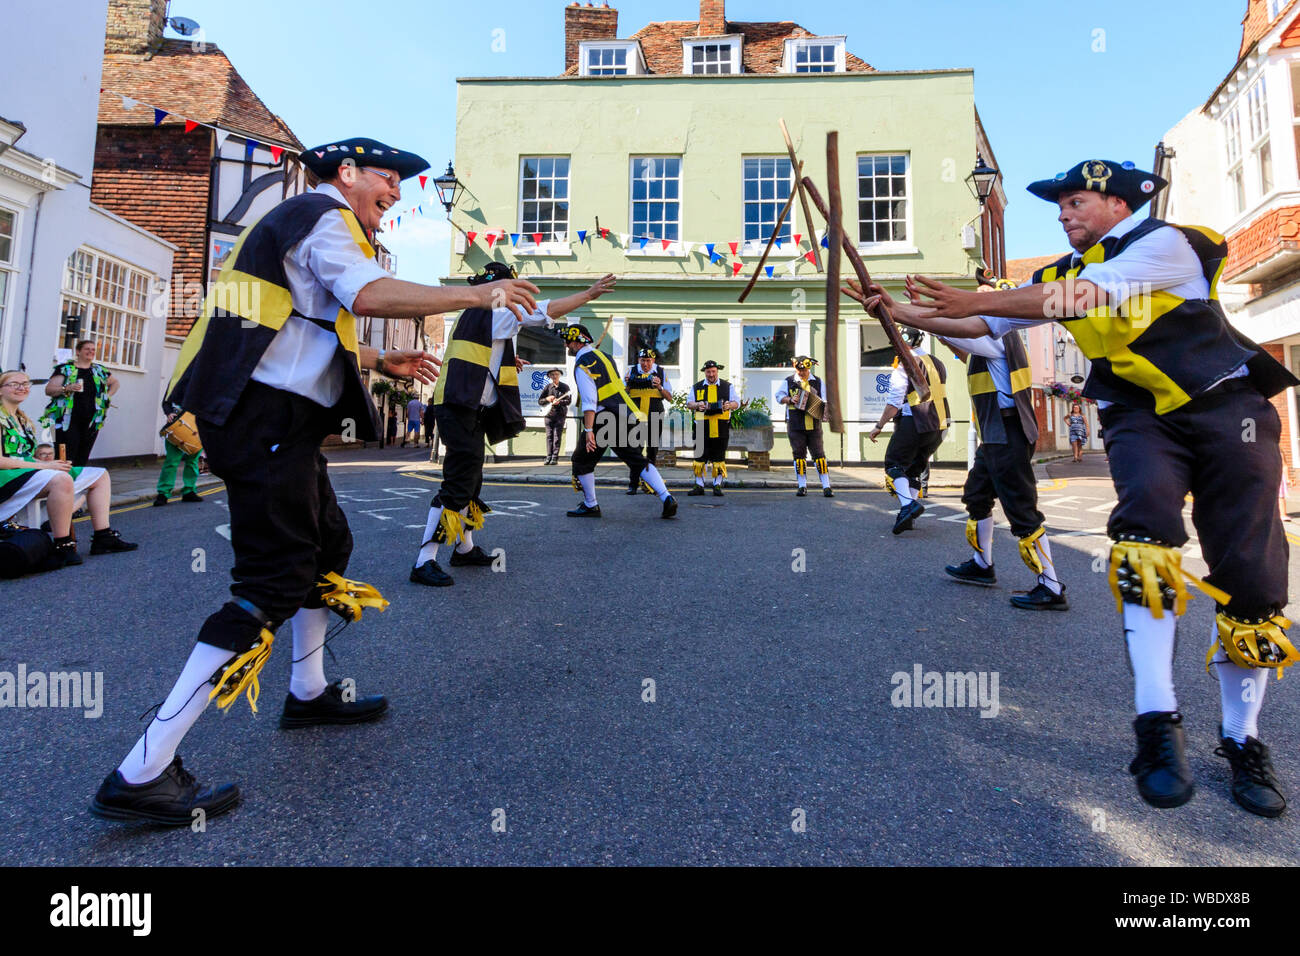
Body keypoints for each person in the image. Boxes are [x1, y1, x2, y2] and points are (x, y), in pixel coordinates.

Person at [91, 136, 542, 826]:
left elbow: (287, 321)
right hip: (262, 417)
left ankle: (307, 691)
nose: (394, 192)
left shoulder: (298, 225)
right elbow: (365, 291)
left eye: (399, 183)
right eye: (385, 179)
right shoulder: (323, 216)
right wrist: (477, 290)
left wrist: (373, 360)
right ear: (347, 173)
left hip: (273, 419)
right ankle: (143, 768)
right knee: (269, 582)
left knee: (327, 549)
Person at [875, 158, 1299, 817]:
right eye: (1060, 206)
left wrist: (979, 296)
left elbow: (1084, 299)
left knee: (1252, 583)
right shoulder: (1053, 275)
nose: (1064, 214)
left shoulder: (1167, 243)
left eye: (1076, 202)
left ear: (1118, 205)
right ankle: (1157, 725)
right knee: (1144, 536)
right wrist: (900, 311)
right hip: (1138, 417)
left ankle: (1242, 740)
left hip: (1228, 410)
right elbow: (984, 329)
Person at [852, 273, 1067, 610]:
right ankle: (982, 566)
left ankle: (1051, 586)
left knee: (1021, 510)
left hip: (1007, 435)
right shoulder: (993, 341)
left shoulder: (1001, 335)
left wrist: (909, 313)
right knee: (976, 495)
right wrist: (922, 310)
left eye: (984, 298)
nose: (976, 304)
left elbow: (959, 333)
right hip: (996, 436)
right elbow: (961, 344)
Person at [410, 267, 617, 587]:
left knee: (470, 480)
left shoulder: (476, 313)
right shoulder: (493, 310)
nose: (515, 291)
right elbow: (545, 310)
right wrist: (588, 296)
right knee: (458, 483)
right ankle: (424, 559)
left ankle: (463, 549)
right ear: (497, 287)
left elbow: (477, 355)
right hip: (458, 408)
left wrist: (507, 359)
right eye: (510, 284)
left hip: (462, 407)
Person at [0, 370, 135, 566]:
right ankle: (63, 546)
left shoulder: (22, 419)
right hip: (6, 477)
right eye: (14, 384)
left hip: (25, 472)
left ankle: (103, 537)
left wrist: (49, 464)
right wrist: (45, 465)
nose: (21, 388)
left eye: (25, 383)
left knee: (99, 475)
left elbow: (24, 456)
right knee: (60, 479)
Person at [560, 324, 677, 519]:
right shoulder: (604, 356)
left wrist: (589, 429)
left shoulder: (583, 365)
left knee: (581, 460)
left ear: (577, 342)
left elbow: (590, 401)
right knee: (636, 459)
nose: (566, 345)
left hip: (604, 418)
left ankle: (591, 505)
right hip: (627, 412)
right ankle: (667, 498)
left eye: (568, 342)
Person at [868, 329, 949, 534]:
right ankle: (908, 516)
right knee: (914, 469)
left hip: (915, 421)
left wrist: (879, 425)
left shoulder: (905, 364)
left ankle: (907, 506)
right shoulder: (937, 362)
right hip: (940, 425)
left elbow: (894, 402)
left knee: (893, 464)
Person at [41, 340, 119, 466]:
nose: (91, 352)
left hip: (91, 421)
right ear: (78, 352)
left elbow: (115, 383)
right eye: (87, 349)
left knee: (83, 455)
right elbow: (49, 390)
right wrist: (66, 388)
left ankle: (77, 483)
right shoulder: (65, 369)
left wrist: (107, 396)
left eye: (93, 349)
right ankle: (62, 482)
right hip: (66, 420)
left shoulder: (99, 370)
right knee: (66, 455)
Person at [776, 355, 833, 498]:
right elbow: (778, 396)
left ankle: (826, 487)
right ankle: (802, 486)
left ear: (809, 368)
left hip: (814, 425)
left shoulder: (818, 382)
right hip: (795, 425)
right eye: (799, 370)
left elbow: (826, 401)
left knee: (819, 455)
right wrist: (790, 399)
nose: (802, 373)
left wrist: (820, 406)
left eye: (805, 370)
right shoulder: (789, 381)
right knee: (799, 455)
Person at [623, 348, 672, 494]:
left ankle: (650, 484)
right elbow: (622, 394)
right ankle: (633, 483)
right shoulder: (630, 372)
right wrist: (627, 386)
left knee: (652, 450)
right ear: (638, 360)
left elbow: (669, 397)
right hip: (636, 416)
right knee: (635, 449)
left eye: (648, 361)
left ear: (653, 361)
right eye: (643, 360)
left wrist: (660, 387)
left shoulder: (661, 372)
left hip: (655, 415)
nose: (645, 364)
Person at [687, 361, 738, 497]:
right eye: (708, 372)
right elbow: (689, 403)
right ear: (705, 372)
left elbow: (736, 403)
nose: (711, 374)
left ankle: (717, 485)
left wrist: (729, 405)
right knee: (699, 457)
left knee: (719, 457)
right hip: (701, 427)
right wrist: (697, 404)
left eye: (713, 371)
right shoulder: (697, 387)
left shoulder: (727, 386)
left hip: (721, 427)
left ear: (717, 371)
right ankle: (699, 486)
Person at [154, 401, 203, 506]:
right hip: (177, 425)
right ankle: (163, 493)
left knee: (192, 461)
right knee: (171, 462)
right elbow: (166, 402)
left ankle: (189, 491)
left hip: (195, 425)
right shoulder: (175, 384)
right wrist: (169, 413)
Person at [539, 368, 571, 465]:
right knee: (549, 436)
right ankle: (548, 456)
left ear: (560, 375)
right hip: (548, 415)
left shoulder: (565, 387)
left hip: (560, 415)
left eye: (556, 374)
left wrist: (559, 402)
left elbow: (568, 401)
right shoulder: (548, 387)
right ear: (550, 376)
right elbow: (540, 401)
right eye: (552, 374)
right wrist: (547, 399)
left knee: (557, 436)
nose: (555, 376)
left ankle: (554, 457)